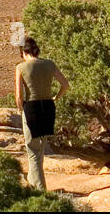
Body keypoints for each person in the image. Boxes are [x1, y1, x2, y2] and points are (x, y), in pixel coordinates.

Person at [14, 37, 69, 190]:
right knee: (39, 151)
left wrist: (21, 110)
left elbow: (19, 96)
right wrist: (55, 98)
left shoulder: (21, 67)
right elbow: (65, 85)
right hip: (48, 108)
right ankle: (33, 184)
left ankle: (40, 190)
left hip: (31, 108)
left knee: (32, 151)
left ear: (24, 52)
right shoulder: (49, 64)